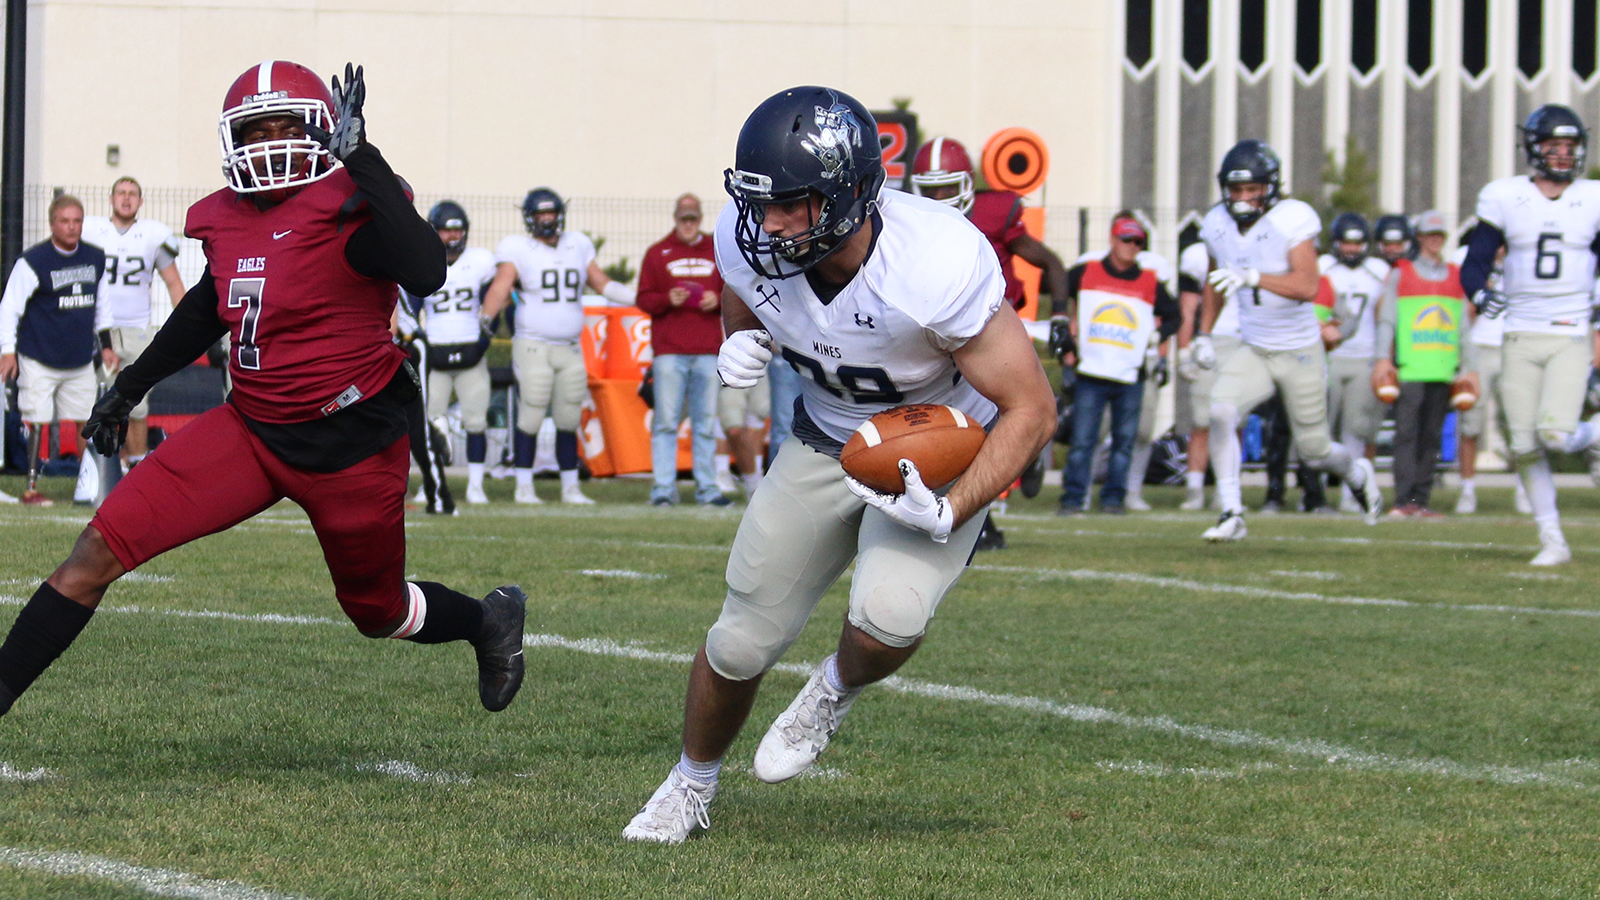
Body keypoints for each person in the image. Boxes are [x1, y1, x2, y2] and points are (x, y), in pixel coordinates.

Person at [0, 61, 527, 721]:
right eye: (256, 129)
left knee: (378, 611)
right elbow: (205, 308)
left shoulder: (350, 203)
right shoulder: (227, 219)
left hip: (351, 445)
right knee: (97, 548)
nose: (271, 141)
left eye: (287, 126)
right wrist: (127, 388)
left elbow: (424, 269)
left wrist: (363, 155)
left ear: (322, 131)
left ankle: (488, 622)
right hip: (249, 429)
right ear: (233, 142)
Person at [623, 86, 1055, 844]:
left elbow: (1032, 408)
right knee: (739, 640)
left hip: (939, 452)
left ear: (854, 194)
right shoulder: (747, 233)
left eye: (795, 203)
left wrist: (953, 509)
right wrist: (738, 338)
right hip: (825, 437)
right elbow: (747, 291)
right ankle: (688, 783)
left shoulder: (933, 261)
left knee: (890, 617)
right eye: (761, 202)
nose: (773, 223)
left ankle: (833, 689)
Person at [1191, 139, 1382, 541]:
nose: (1242, 199)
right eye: (1236, 190)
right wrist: (1203, 334)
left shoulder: (1291, 219)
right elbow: (1215, 282)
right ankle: (1232, 512)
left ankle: (1356, 472)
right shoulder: (1216, 224)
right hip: (1255, 347)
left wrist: (1256, 277)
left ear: (1270, 187)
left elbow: (1307, 284)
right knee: (1222, 411)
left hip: (1299, 350)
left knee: (1314, 449)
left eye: (1251, 190)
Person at [910, 135, 1067, 546]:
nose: (940, 198)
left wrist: (1062, 315)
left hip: (997, 332)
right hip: (940, 335)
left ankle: (1023, 460)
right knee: (956, 426)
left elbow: (1050, 261)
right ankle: (982, 511)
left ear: (967, 184)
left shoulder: (995, 212)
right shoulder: (902, 222)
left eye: (948, 188)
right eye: (930, 190)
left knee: (1003, 417)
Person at [1461, 103, 1600, 565]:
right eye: (1553, 146)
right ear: (1534, 148)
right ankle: (1553, 540)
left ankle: (1594, 432)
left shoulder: (1593, 198)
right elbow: (1476, 261)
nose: (1562, 155)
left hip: (1569, 330)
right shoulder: (1505, 195)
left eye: (1570, 146)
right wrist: (1480, 295)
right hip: (1519, 332)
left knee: (1556, 435)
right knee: (1523, 444)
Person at [481, 187, 635, 504]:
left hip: (569, 347)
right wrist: (483, 321)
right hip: (533, 345)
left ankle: (571, 488)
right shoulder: (518, 249)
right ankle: (523, 486)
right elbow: (501, 286)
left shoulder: (577, 244)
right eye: (541, 215)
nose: (547, 220)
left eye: (551, 213)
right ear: (530, 219)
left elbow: (603, 283)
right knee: (532, 413)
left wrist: (641, 299)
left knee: (569, 416)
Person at [1055, 213, 1179, 515]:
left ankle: (1113, 499)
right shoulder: (1087, 271)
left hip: (1130, 373)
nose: (1132, 246)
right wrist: (1063, 331)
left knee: (1124, 442)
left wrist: (1158, 336)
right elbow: (1058, 286)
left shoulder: (1150, 280)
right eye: (1127, 239)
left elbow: (1175, 314)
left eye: (1139, 242)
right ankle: (1073, 499)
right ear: (1113, 239)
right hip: (1091, 370)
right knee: (1084, 440)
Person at [0, 194, 108, 506]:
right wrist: (8, 350)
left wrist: (108, 346)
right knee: (38, 418)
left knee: (87, 420)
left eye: (77, 221)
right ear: (52, 224)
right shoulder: (33, 261)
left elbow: (102, 305)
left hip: (79, 358)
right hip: (39, 357)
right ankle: (31, 488)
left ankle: (89, 484)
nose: (72, 227)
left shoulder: (95, 257)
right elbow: (9, 309)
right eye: (65, 221)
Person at [1372, 210, 1475, 517]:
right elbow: (1387, 320)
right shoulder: (1402, 274)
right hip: (1410, 368)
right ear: (1419, 238)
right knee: (1406, 435)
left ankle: (1421, 500)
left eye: (1439, 235)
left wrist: (1469, 367)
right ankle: (1403, 500)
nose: (1435, 240)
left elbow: (1463, 328)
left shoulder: (1456, 276)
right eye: (1430, 235)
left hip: (1443, 369)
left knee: (1430, 438)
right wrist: (1382, 360)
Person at [82, 178, 186, 467]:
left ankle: (138, 464)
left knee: (137, 404)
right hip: (97, 329)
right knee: (95, 400)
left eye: (132, 195)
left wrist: (184, 325)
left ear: (140, 202)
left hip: (138, 330)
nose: (126, 199)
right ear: (111, 198)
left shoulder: (153, 235)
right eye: (121, 193)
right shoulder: (91, 231)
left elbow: (174, 284)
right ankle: (94, 470)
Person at [636, 193, 730, 507]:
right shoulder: (657, 253)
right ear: (676, 219)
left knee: (705, 423)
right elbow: (644, 299)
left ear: (699, 219)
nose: (688, 224)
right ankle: (663, 488)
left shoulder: (716, 251)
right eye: (683, 218)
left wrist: (717, 300)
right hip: (670, 351)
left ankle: (707, 487)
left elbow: (733, 289)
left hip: (706, 349)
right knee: (666, 422)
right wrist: (667, 299)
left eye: (692, 218)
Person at [408, 200, 496, 505]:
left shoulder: (481, 262)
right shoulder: (423, 261)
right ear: (435, 231)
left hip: (471, 349)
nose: (453, 236)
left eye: (457, 229)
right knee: (431, 422)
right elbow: (412, 309)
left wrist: (483, 342)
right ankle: (430, 482)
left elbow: (493, 305)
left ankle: (476, 485)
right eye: (446, 230)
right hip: (435, 352)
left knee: (476, 421)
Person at [1320, 212, 1390, 512]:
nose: (1351, 249)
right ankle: (1316, 496)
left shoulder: (1378, 269)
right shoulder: (1323, 266)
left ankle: (1352, 495)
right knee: (1320, 430)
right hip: (1327, 357)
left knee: (1356, 429)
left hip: (1364, 357)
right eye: (1345, 243)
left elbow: (1384, 316)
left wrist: (1383, 359)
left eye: (1357, 243)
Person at [1452, 241, 1524, 514]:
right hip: (1478, 347)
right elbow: (1463, 308)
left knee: (1519, 422)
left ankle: (1524, 488)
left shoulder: (1524, 255)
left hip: (1514, 345)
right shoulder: (1468, 259)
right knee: (1470, 423)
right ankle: (1467, 490)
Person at [1174, 239, 1240, 511]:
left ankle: (1226, 491)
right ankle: (1195, 490)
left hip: (1243, 344)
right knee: (1202, 422)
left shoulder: (1257, 249)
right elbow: (1187, 309)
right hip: (1208, 342)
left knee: (1233, 423)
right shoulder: (1197, 255)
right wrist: (1184, 350)